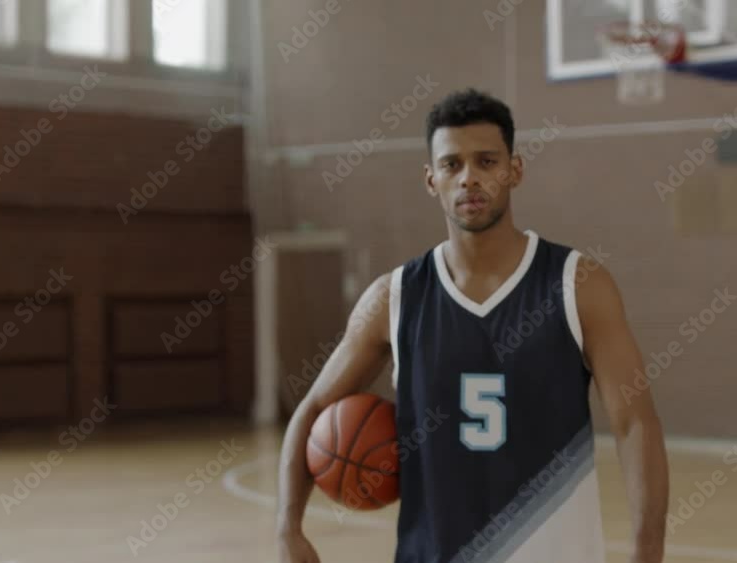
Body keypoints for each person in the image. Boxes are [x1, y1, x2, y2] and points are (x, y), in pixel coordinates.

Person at [277, 88, 669, 563]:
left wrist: (648, 549)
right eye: (452, 165)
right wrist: (288, 531)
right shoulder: (393, 298)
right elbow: (314, 409)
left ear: (515, 170)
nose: (469, 179)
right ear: (430, 179)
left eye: (486, 162)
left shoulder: (577, 284)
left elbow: (635, 425)